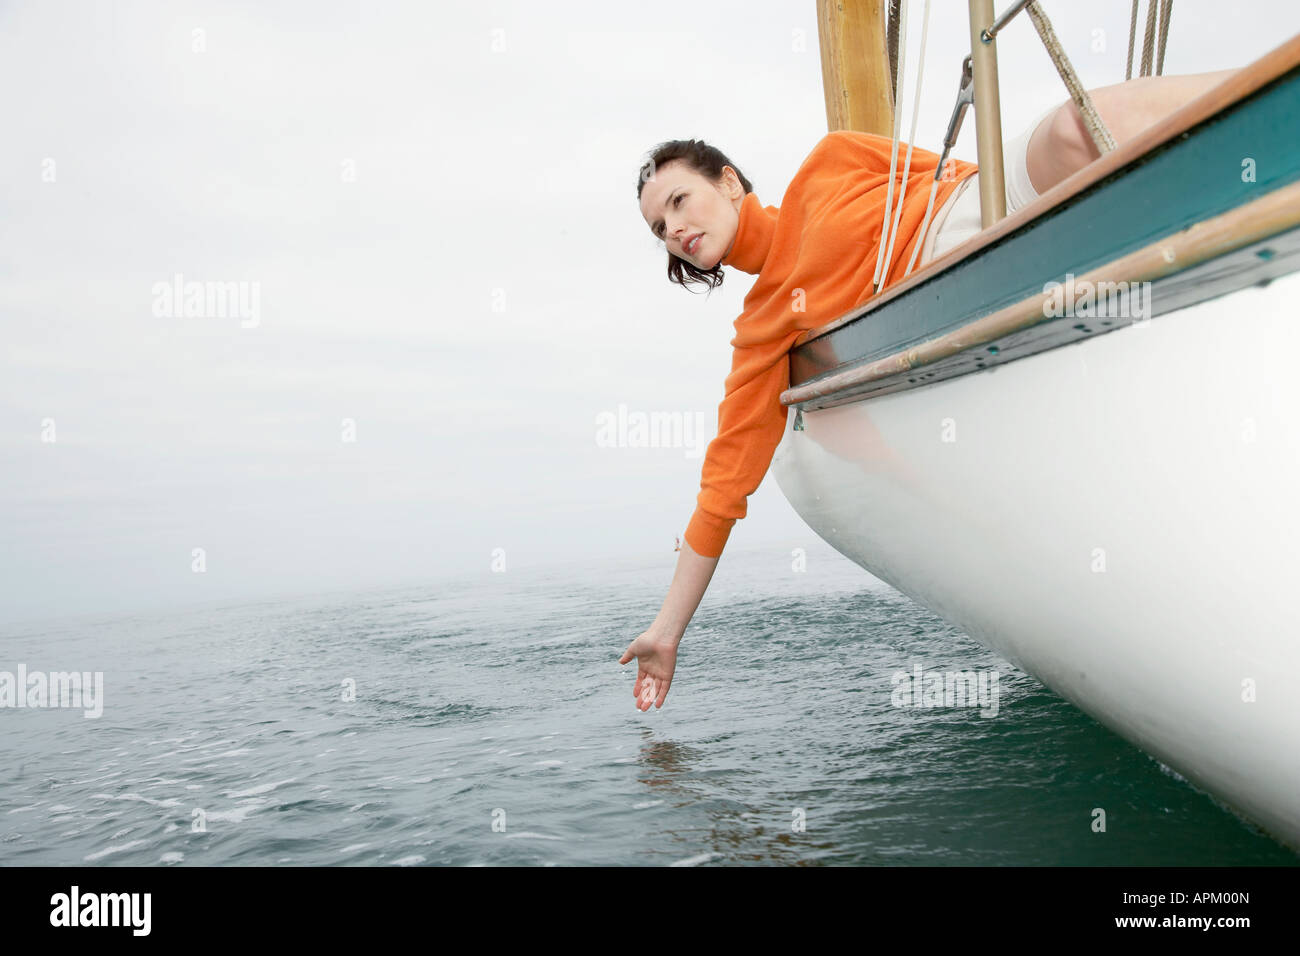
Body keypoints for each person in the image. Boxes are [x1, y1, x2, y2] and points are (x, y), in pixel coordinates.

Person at [620, 69, 1241, 713]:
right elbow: (725, 483)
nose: (675, 230)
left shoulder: (829, 161)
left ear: (726, 180)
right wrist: (666, 632)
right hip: (947, 281)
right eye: (659, 229)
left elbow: (941, 171)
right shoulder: (764, 328)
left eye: (678, 202)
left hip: (976, 210)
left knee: (1073, 128)